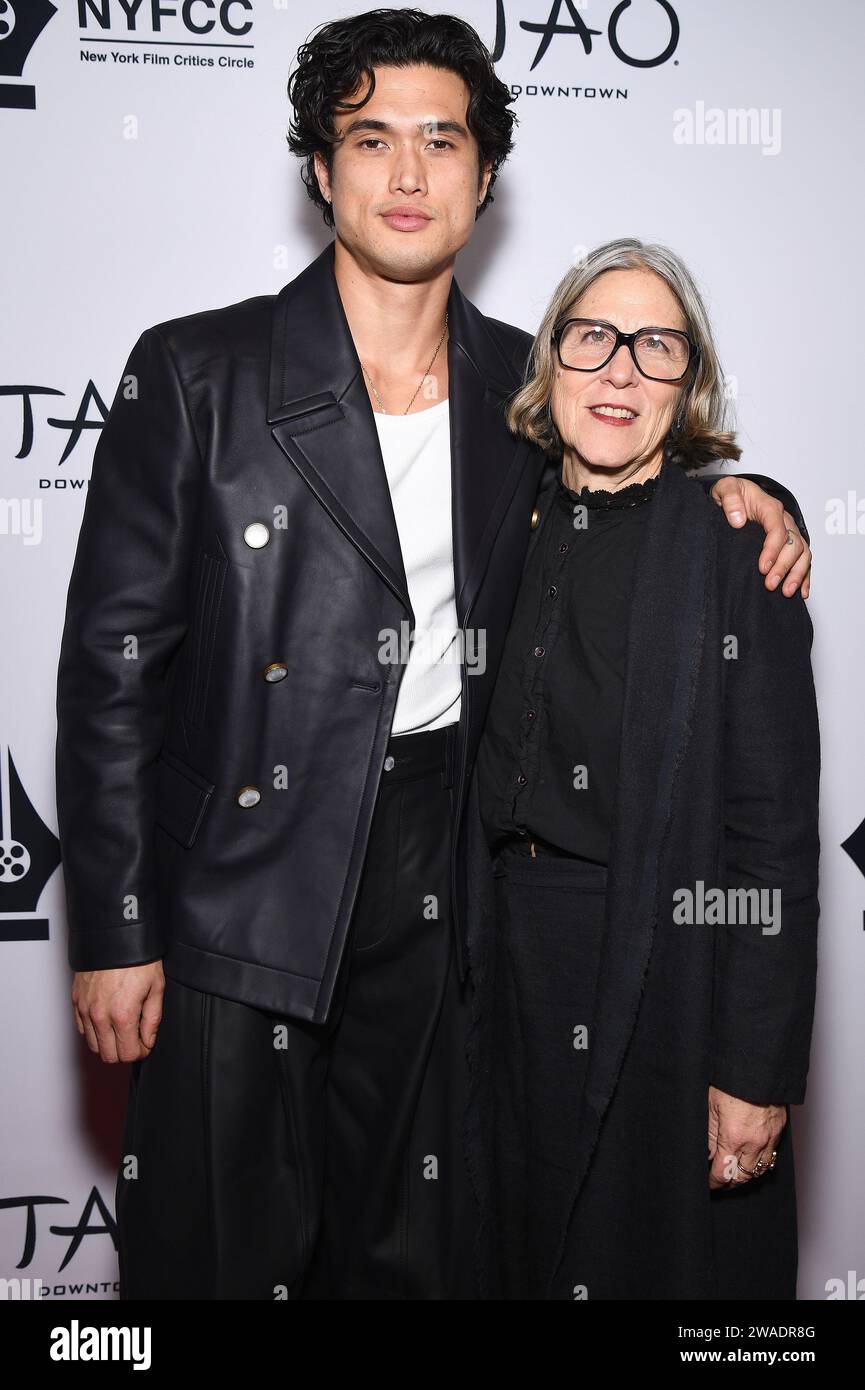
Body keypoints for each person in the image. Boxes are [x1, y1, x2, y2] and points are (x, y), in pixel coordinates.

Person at [55, 10, 810, 1301]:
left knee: (412, 1266)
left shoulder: (528, 387)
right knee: (218, 1262)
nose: (408, 176)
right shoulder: (196, 372)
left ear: (485, 176)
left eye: (441, 142)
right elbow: (113, 666)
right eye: (371, 139)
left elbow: (643, 489)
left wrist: (758, 495)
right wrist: (115, 924)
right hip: (239, 894)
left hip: (445, 884)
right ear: (319, 168)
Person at [467, 238, 820, 1300]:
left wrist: (753, 1073)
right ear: (550, 361)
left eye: (656, 346)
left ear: (688, 381)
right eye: (593, 338)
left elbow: (769, 838)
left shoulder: (732, 559)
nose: (620, 369)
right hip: (493, 973)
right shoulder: (491, 523)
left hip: (661, 968)